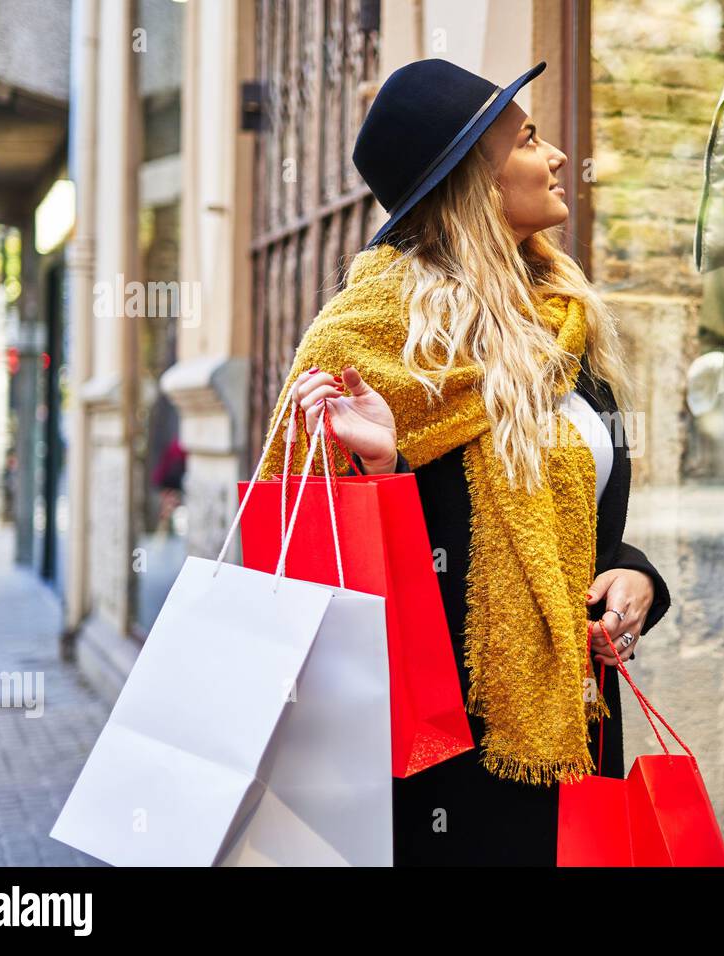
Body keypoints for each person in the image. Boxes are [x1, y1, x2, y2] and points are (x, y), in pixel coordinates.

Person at [256, 58, 671, 865]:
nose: (555, 155)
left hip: (573, 725)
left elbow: (573, 524)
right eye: (528, 139)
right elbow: (313, 551)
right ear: (473, 183)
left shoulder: (561, 323)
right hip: (440, 748)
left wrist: (634, 576)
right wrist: (385, 471)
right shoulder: (367, 337)